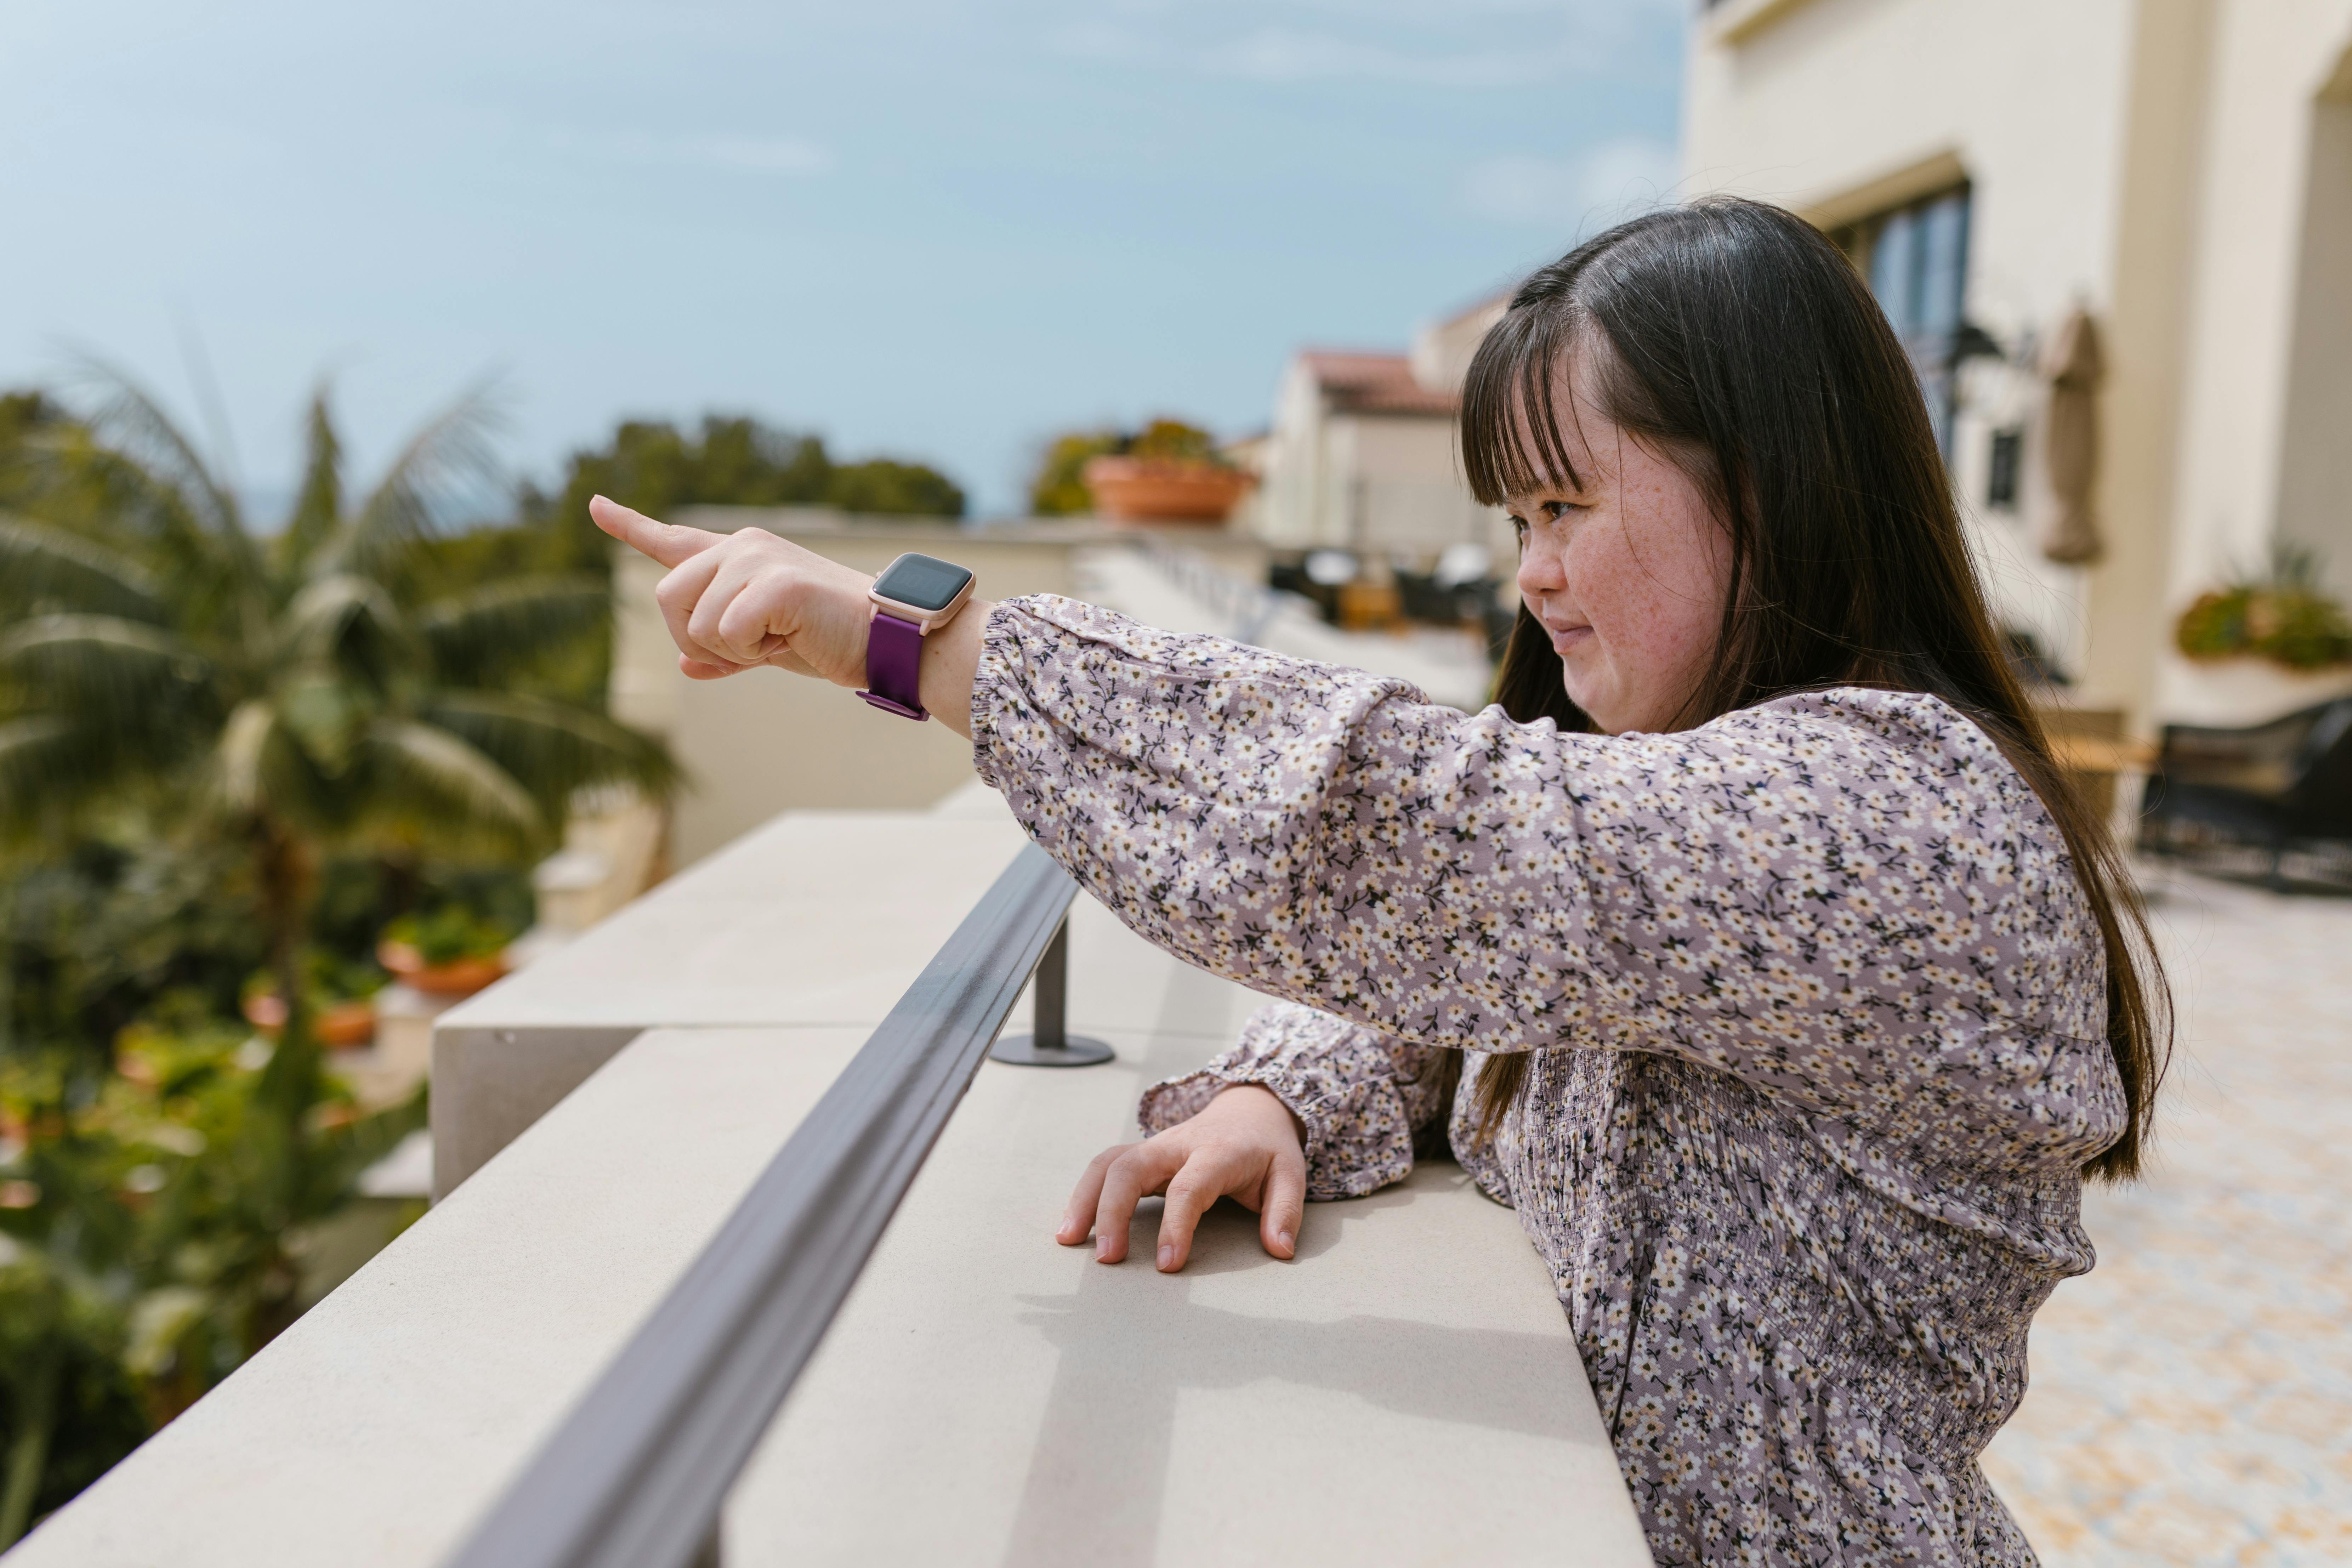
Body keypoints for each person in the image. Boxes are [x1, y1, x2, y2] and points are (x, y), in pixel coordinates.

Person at [593, 197, 2168, 1565]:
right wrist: (1276, 1091)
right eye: (1515, 520)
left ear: (1766, 483)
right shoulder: (1695, 804)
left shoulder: (1885, 817)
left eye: (1564, 507)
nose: (1530, 574)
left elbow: (1416, 845)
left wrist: (909, 641)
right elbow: (1470, 969)